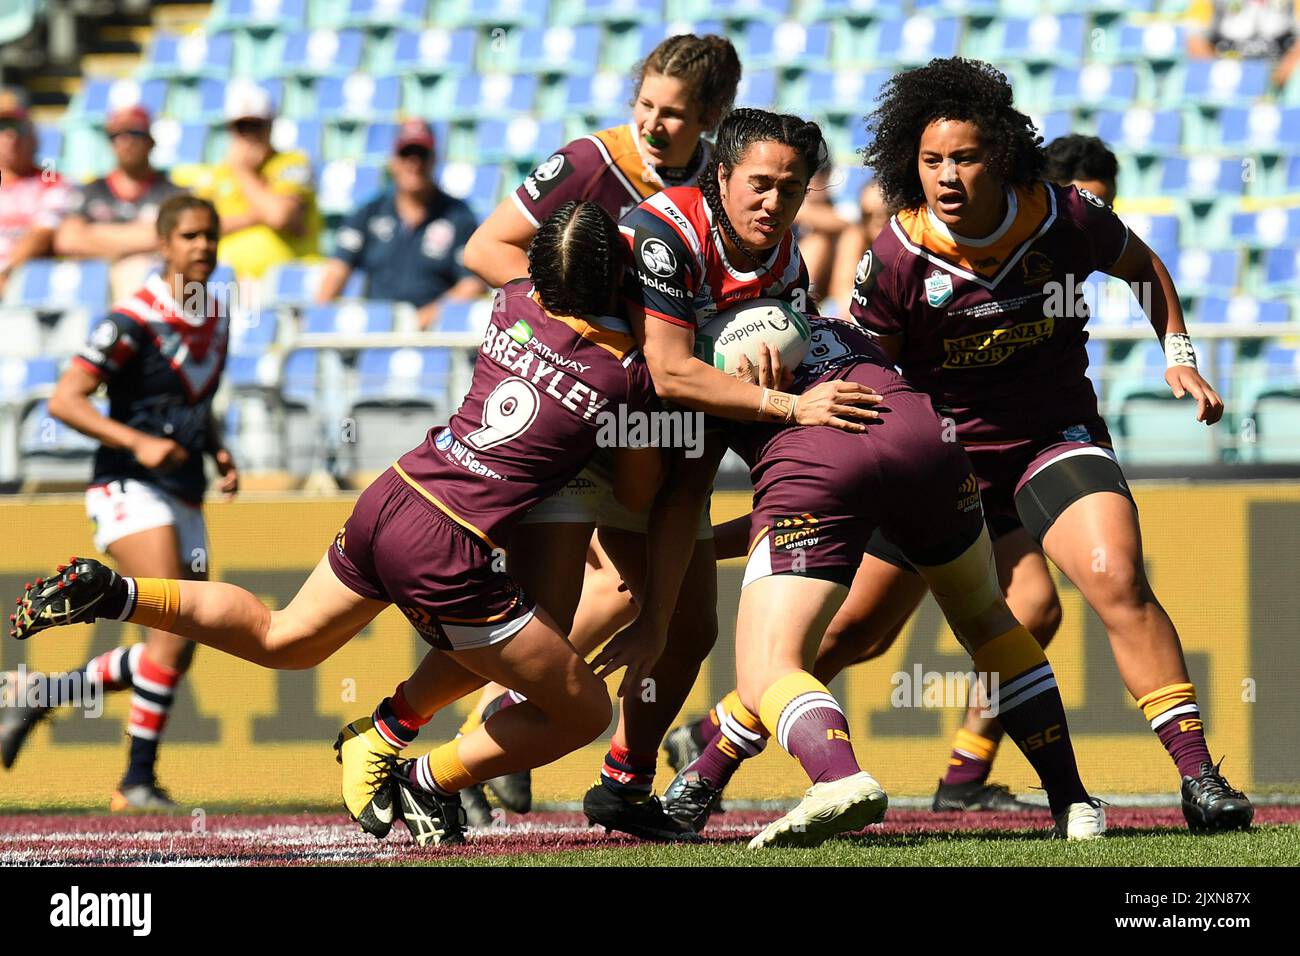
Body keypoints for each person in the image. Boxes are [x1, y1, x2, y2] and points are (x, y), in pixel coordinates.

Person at [672, 58, 1254, 835]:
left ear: (1002, 156)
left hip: (1054, 437)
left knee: (1116, 577)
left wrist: (1178, 355)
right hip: (944, 463)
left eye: (965, 157)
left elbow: (1141, 265)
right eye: (930, 160)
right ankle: (705, 762)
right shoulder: (897, 255)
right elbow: (870, 380)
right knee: (850, 634)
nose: (946, 175)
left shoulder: (1064, 215)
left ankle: (1200, 779)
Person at [9, 201, 668, 847]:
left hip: (396, 491)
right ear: (613, 279)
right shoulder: (624, 375)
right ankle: (423, 775)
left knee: (285, 637)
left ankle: (116, 594)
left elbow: (503, 253)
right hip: (450, 545)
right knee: (583, 710)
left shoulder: (511, 301)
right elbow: (637, 494)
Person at [355, 108, 882, 846]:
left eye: (791, 190)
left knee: (685, 630)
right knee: (547, 629)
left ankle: (615, 785)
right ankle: (396, 737)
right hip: (584, 435)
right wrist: (789, 405)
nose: (775, 203)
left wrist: (658, 615)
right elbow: (669, 372)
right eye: (760, 184)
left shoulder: (785, 267)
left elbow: (688, 463)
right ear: (721, 175)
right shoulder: (663, 235)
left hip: (661, 447)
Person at [667, 133, 1128, 815]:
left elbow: (798, 477)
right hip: (942, 454)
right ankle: (1070, 799)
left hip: (926, 454)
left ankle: (746, 765)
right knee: (940, 624)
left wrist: (687, 544)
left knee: (781, 656)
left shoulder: (737, 365)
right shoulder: (902, 267)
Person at [647, 314, 1103, 845]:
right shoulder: (839, 327)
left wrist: (678, 551)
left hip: (821, 467)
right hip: (928, 444)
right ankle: (1073, 802)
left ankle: (836, 777)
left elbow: (704, 498)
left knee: (771, 664)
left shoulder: (695, 362)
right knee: (987, 621)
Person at [447, 33, 742, 825]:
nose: (653, 123)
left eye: (674, 113)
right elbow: (486, 247)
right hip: (587, 401)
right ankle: (484, 748)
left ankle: (581, 766)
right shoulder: (590, 161)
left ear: (712, 116)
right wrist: (579, 321)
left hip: (662, 407)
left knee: (679, 619)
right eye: (645, 103)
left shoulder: (720, 182)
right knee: (626, 596)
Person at [0, 194, 237, 811]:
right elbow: (65, 400)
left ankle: (47, 696)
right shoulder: (131, 318)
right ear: (162, 244)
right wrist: (138, 442)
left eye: (210, 235)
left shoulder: (215, 312)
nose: (203, 246)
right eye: (188, 236)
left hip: (186, 491)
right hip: (129, 485)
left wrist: (219, 448)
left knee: (182, 638)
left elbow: (192, 398)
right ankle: (136, 780)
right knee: (170, 629)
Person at [315, 119, 484, 330]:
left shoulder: (459, 216)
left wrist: (423, 319)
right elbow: (337, 270)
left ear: (434, 159)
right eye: (406, 154)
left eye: (421, 154)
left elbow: (472, 283)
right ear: (392, 161)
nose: (414, 164)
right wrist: (317, 321)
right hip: (374, 331)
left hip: (434, 334)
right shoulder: (369, 212)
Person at [175, 84, 319, 281]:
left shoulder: (292, 163)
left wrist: (243, 172)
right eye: (242, 127)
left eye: (256, 126)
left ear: (270, 126)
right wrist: (258, 215)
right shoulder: (217, 174)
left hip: (285, 280)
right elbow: (197, 228)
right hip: (223, 280)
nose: (250, 135)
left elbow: (280, 216)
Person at [54, 105, 185, 300]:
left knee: (134, 270)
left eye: (135, 133)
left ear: (151, 141)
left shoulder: (174, 193)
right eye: (116, 135)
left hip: (149, 280)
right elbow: (67, 240)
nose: (126, 142)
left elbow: (174, 239)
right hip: (96, 277)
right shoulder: (90, 190)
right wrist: (141, 238)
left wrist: (95, 233)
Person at [0, 89, 68, 297]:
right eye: (3, 128)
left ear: (33, 136)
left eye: (18, 128)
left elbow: (43, 234)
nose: (11, 137)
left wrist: (5, 272)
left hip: (22, 278)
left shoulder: (51, 180)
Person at [1185, 0, 1300, 87]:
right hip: (1227, 76)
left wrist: (1278, 78)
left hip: (1278, 75)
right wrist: (1218, 79)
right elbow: (1195, 41)